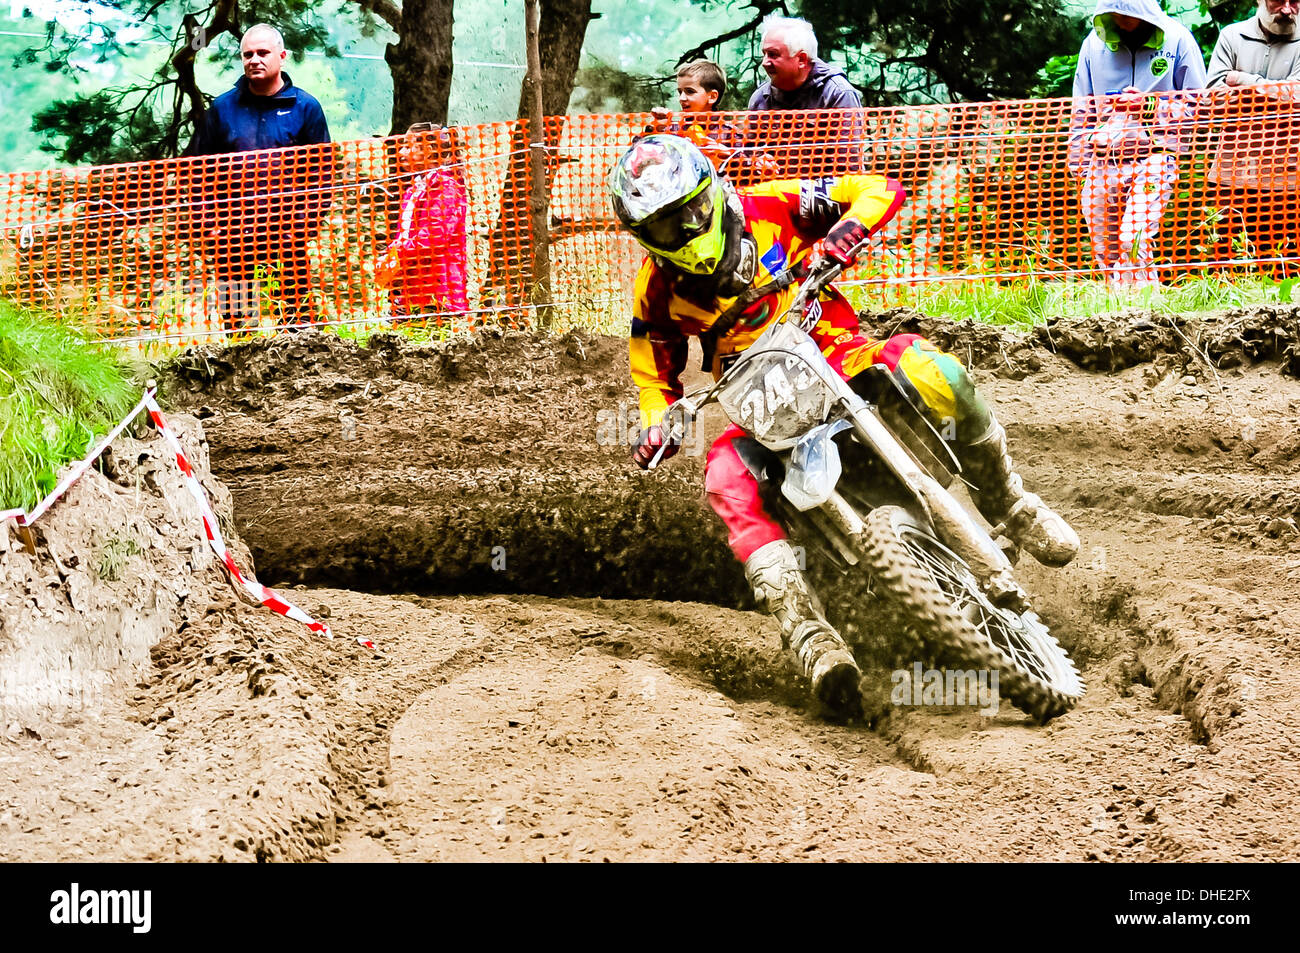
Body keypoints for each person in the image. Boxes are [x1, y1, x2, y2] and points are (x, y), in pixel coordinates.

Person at [609, 135, 1079, 717]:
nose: (682, 230)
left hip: (841, 357)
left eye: (689, 212)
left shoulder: (772, 206)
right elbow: (653, 375)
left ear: (711, 193)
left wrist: (845, 232)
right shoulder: (656, 291)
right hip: (759, 402)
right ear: (644, 237)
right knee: (724, 476)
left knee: (937, 369)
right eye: (662, 227)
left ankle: (1012, 504)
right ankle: (807, 631)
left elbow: (878, 188)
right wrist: (659, 424)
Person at [186, 23, 333, 330]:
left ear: (282, 56)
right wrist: (208, 228)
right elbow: (196, 173)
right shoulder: (222, 109)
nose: (255, 60)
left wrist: (303, 227)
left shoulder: (306, 108)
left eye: (263, 53)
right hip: (231, 238)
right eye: (248, 54)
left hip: (287, 237)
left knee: (297, 324)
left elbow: (322, 176)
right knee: (237, 323)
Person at [1068, 0, 1207, 290]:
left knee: (1135, 238)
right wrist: (1080, 167)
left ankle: (1142, 311)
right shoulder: (1093, 44)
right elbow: (1081, 109)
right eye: (1116, 10)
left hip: (1154, 157)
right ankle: (1115, 314)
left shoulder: (1179, 39)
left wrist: (1150, 106)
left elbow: (1199, 109)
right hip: (1101, 159)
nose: (1122, 16)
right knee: (1104, 250)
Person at [1203, 0, 1300, 272]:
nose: (1287, 9)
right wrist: (1276, 94)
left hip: (1287, 178)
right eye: (1279, 0)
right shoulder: (1232, 36)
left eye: (1295, 2)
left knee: (1284, 267)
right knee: (1224, 264)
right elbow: (1214, 98)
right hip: (1231, 173)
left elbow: (1297, 98)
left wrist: (1245, 81)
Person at [374, 124, 470, 321]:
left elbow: (435, 236)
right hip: (413, 289)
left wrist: (398, 252)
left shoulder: (446, 188)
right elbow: (406, 234)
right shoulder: (415, 189)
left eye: (408, 147)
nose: (401, 152)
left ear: (430, 151)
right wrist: (390, 255)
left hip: (440, 291)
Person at [747, 15, 864, 175]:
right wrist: (756, 161)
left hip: (828, 194)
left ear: (801, 59)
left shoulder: (837, 93)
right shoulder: (760, 98)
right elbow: (749, 156)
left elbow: (847, 168)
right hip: (775, 193)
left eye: (773, 55)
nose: (765, 62)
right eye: (764, 54)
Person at [646, 59, 781, 185]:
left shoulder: (730, 134)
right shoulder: (674, 129)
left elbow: (754, 173)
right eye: (680, 92)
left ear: (712, 97)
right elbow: (642, 154)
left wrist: (729, 155)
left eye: (689, 92)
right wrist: (657, 127)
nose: (682, 98)